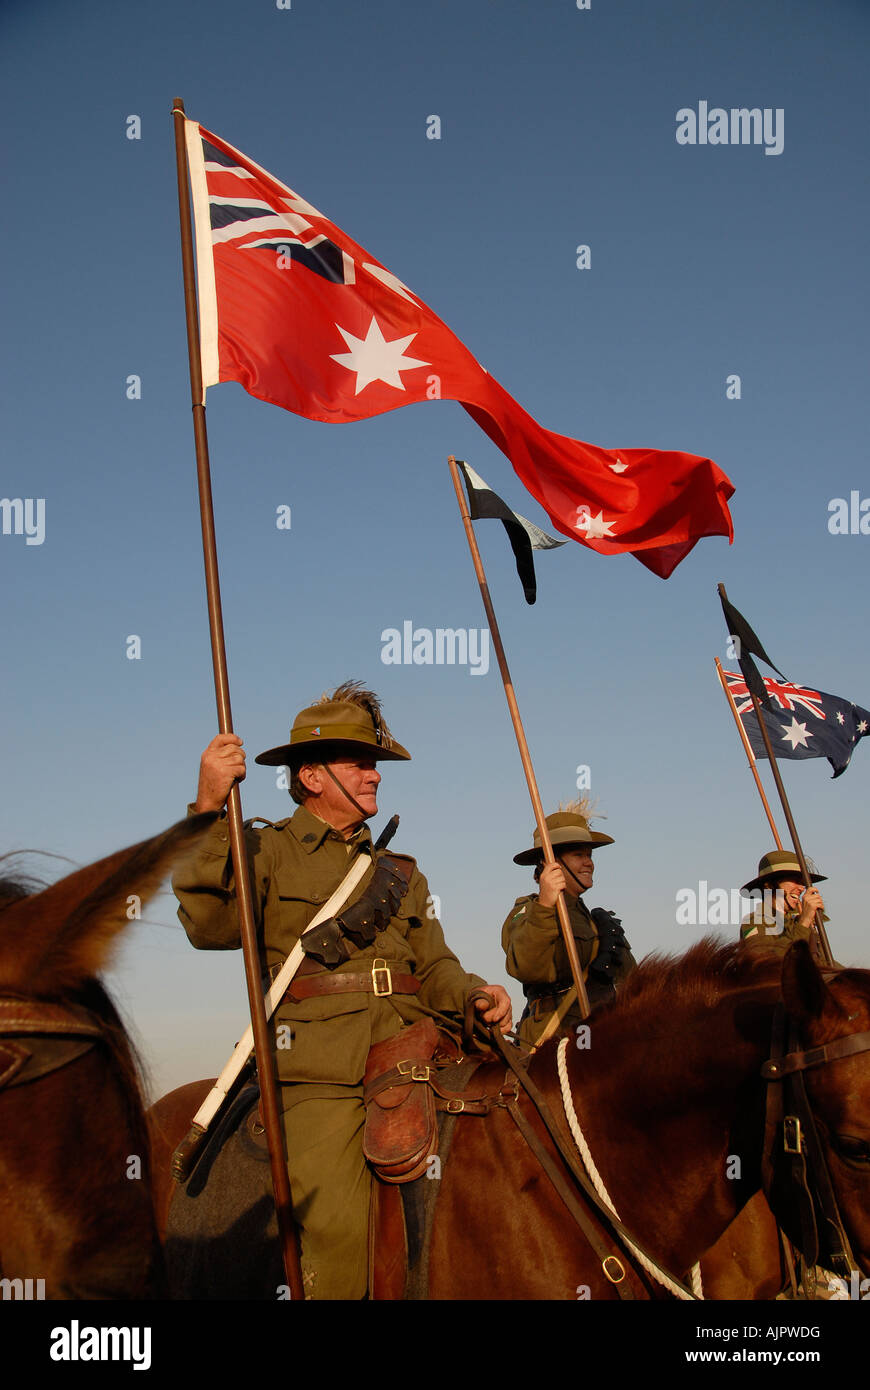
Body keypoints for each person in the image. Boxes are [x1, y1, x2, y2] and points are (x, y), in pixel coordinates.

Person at [172, 681, 511, 1299]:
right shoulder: (264, 851)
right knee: (335, 1230)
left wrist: (474, 996)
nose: (375, 776)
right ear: (311, 776)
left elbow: (435, 965)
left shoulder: (401, 874)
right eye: (360, 763)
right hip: (322, 1072)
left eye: (375, 764)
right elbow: (206, 924)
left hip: (415, 1051)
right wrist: (205, 809)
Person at [501, 803, 635, 1048]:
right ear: (548, 862)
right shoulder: (527, 912)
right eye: (578, 855)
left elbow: (632, 986)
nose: (589, 863)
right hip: (553, 1043)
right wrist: (545, 904)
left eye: (589, 855)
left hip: (604, 1037)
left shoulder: (601, 923)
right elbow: (528, 967)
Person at [739, 850, 828, 957]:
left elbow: (823, 965)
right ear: (769, 886)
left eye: (802, 882)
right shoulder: (754, 922)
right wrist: (804, 922)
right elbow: (769, 966)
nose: (801, 888)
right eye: (795, 880)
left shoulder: (798, 922)